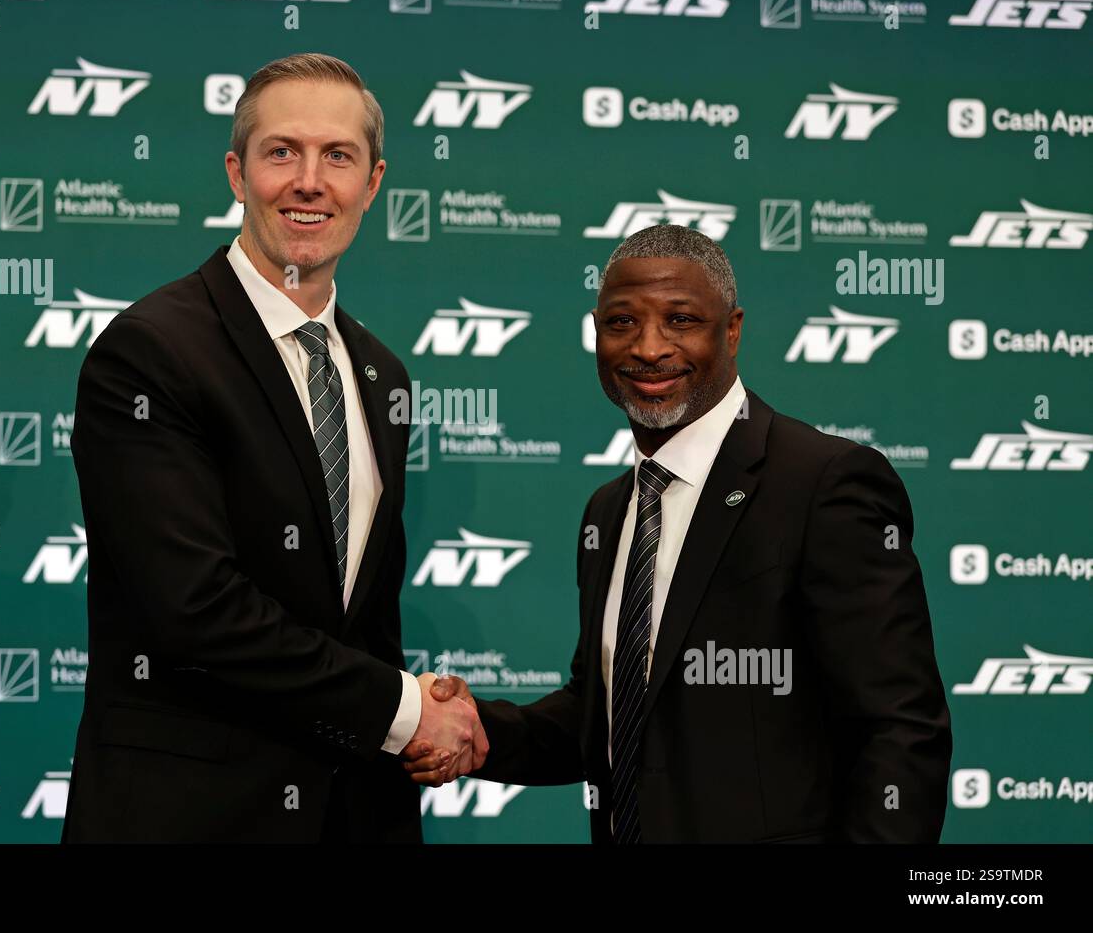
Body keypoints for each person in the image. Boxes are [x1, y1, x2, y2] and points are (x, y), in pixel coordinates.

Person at [405, 224, 952, 843]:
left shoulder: (824, 483)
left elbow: (901, 731)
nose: (649, 347)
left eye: (682, 320)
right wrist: (478, 731)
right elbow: (608, 716)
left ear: (733, 330)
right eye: (621, 323)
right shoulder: (609, 511)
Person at [62, 53, 485, 843]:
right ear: (236, 171)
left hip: (353, 814)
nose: (309, 181)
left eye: (338, 157)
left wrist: (414, 724)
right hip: (192, 818)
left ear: (374, 182)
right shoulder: (152, 351)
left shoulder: (379, 370)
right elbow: (196, 611)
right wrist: (405, 710)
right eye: (281, 152)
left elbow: (355, 622)